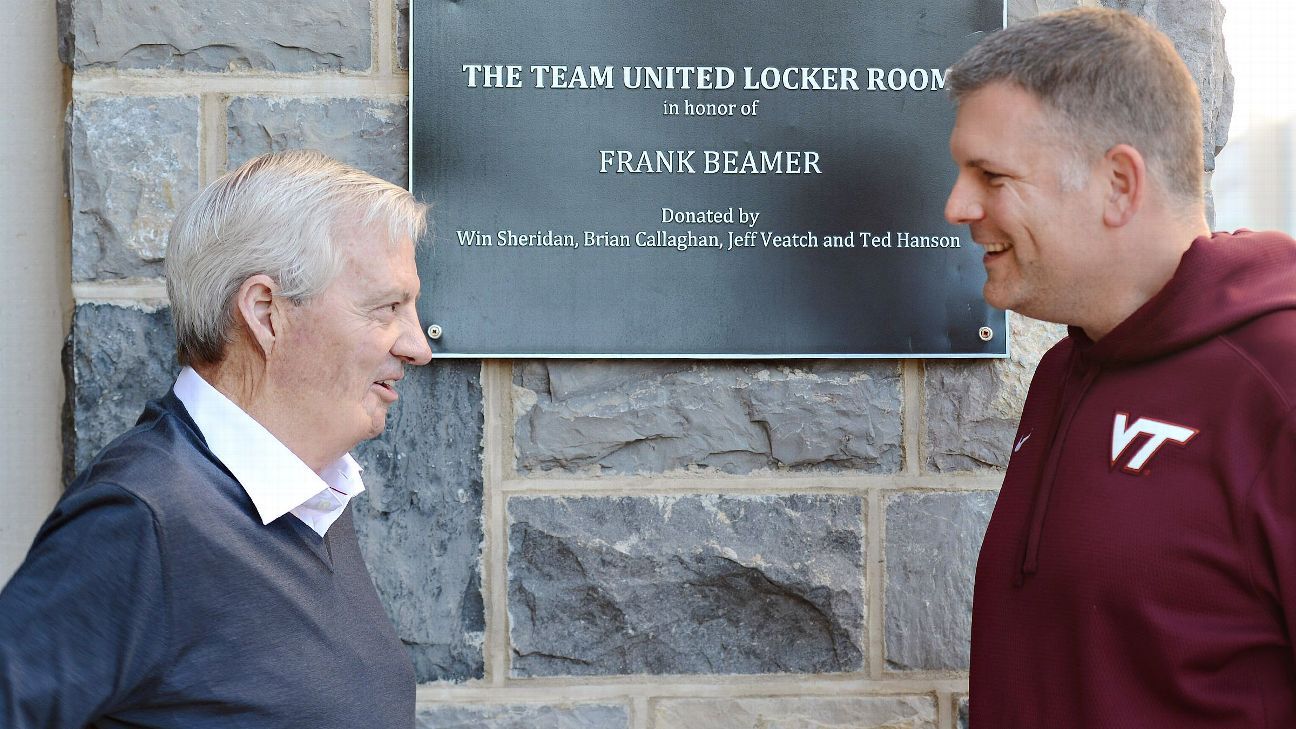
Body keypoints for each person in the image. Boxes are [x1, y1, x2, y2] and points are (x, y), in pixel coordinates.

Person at [944, 8, 1296, 728]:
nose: (958, 205)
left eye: (992, 175)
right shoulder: (1061, 375)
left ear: (1118, 183)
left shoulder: (1277, 385)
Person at [0, 149, 433, 728]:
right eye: (386, 308)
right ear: (266, 312)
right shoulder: (143, 520)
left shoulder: (309, 499)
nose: (417, 346)